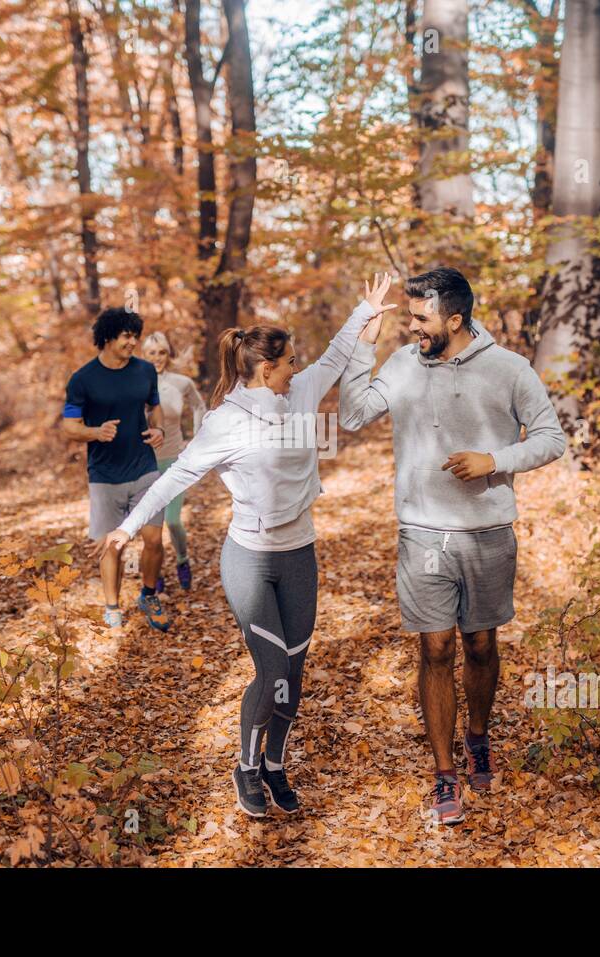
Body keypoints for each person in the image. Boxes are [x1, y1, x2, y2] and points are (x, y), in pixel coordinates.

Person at [100, 275, 398, 817]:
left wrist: (366, 309)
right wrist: (129, 524)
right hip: (250, 558)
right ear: (267, 368)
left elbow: (336, 353)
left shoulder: (299, 392)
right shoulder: (225, 422)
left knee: (296, 671)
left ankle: (276, 764)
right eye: (288, 362)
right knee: (273, 670)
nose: (295, 368)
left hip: (299, 553)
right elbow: (175, 478)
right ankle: (245, 766)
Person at [338, 267, 566, 825]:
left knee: (481, 646)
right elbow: (350, 414)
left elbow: (551, 438)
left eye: (421, 317)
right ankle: (445, 774)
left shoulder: (509, 369)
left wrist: (496, 460)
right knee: (435, 649)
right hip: (422, 532)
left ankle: (478, 736)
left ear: (455, 319)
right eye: (409, 315)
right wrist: (359, 350)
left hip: (487, 532)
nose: (410, 326)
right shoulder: (402, 366)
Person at [61, 307, 172, 632]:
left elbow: (155, 406)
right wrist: (96, 432)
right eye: (126, 335)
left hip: (144, 468)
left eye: (135, 335)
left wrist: (159, 429)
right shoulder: (82, 379)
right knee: (111, 544)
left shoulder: (145, 371)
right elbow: (69, 426)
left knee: (153, 538)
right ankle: (112, 607)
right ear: (108, 337)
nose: (133, 342)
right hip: (105, 475)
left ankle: (149, 595)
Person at [141, 332, 207, 591]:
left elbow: (200, 407)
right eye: (152, 353)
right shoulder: (134, 383)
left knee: (173, 521)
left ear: (168, 355)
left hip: (172, 461)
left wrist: (197, 440)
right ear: (144, 356)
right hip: (143, 464)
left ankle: (182, 560)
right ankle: (153, 574)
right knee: (150, 527)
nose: (157, 358)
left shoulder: (181, 383)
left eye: (162, 352)